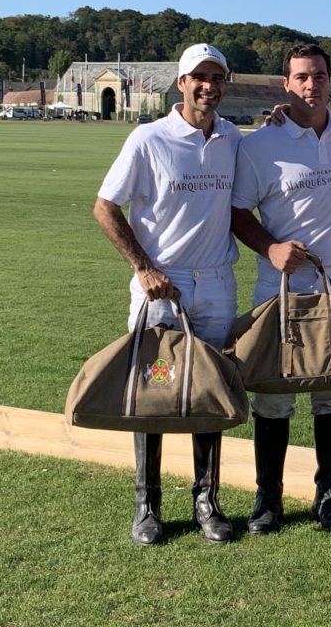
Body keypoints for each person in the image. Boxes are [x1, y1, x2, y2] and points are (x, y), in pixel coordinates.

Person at [93, 43, 241, 545]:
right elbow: (105, 207)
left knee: (209, 392)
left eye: (216, 78)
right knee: (152, 392)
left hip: (215, 284)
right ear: (181, 83)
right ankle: (147, 505)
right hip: (161, 287)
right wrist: (143, 267)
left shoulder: (232, 137)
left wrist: (281, 119)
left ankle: (207, 501)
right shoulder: (148, 138)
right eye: (199, 77)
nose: (208, 86)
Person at [231, 43, 331, 534]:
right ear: (286, 84)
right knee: (275, 395)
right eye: (301, 77)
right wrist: (270, 247)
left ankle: (328, 496)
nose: (311, 85)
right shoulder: (260, 145)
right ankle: (268, 498)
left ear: (330, 81)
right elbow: (237, 210)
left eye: (319, 76)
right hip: (281, 285)